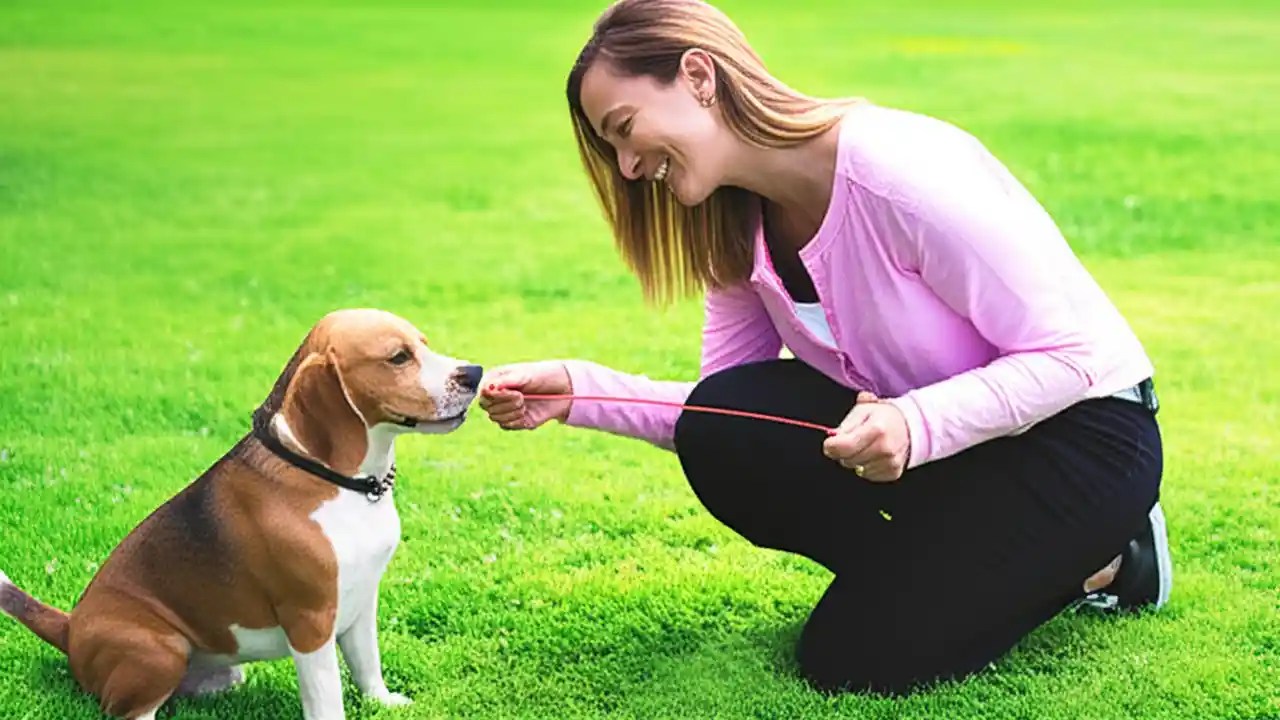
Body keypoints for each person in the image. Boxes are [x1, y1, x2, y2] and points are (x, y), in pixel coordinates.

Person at [478, 0, 1171, 696]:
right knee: (728, 430)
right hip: (961, 452)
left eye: (625, 131)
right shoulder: (736, 231)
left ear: (697, 76)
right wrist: (577, 391)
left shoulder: (896, 170)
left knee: (852, 659)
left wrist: (913, 423)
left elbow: (1071, 354)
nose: (627, 168)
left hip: (1085, 438)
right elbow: (727, 421)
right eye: (613, 151)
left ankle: (1108, 558)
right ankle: (930, 579)